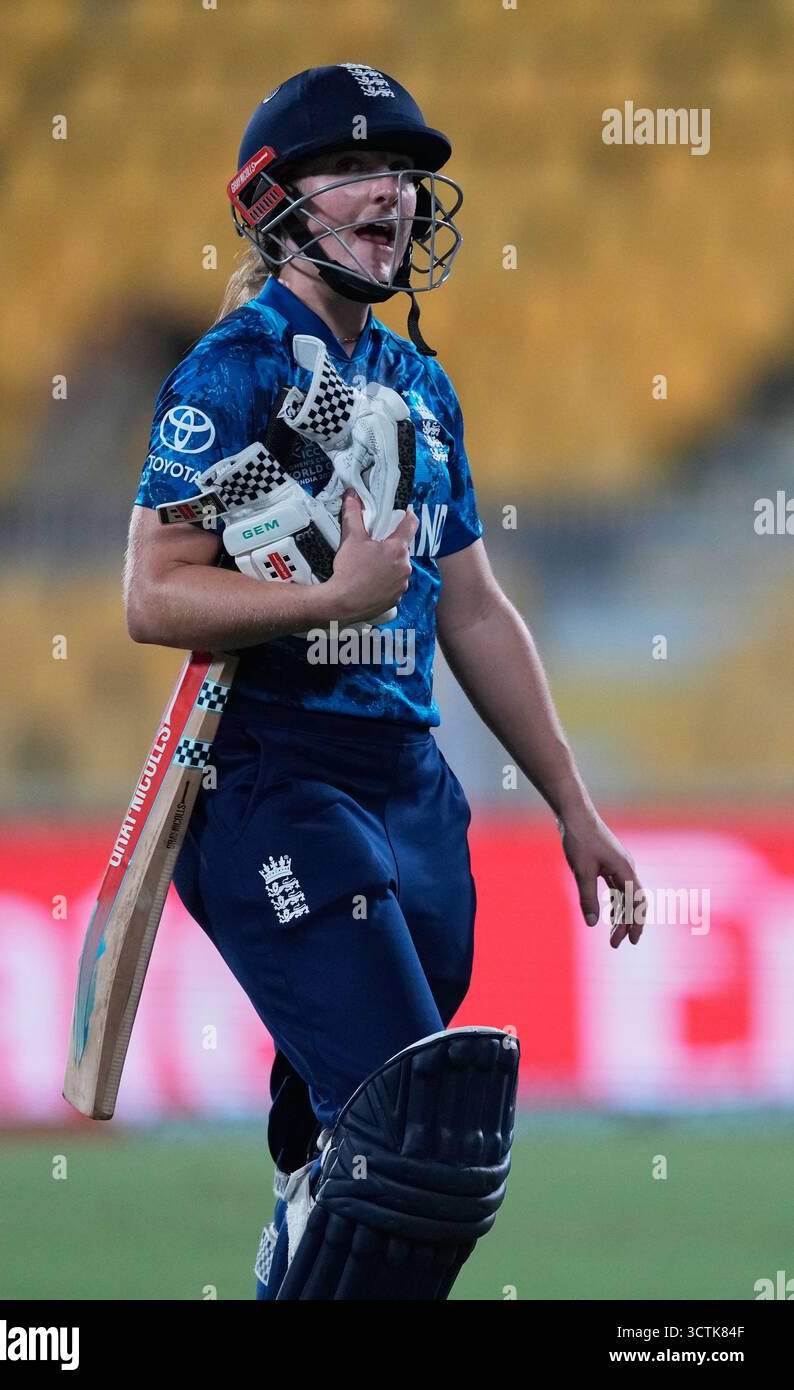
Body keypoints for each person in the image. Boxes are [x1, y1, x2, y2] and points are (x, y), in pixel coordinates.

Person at [124, 64, 643, 1301]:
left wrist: (571, 801)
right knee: (420, 1146)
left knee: (405, 1150)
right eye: (357, 168)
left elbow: (470, 602)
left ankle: (295, 1208)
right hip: (275, 778)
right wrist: (329, 598)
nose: (394, 195)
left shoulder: (419, 383)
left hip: (411, 789)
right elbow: (152, 594)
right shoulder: (229, 374)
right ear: (276, 205)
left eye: (404, 173)